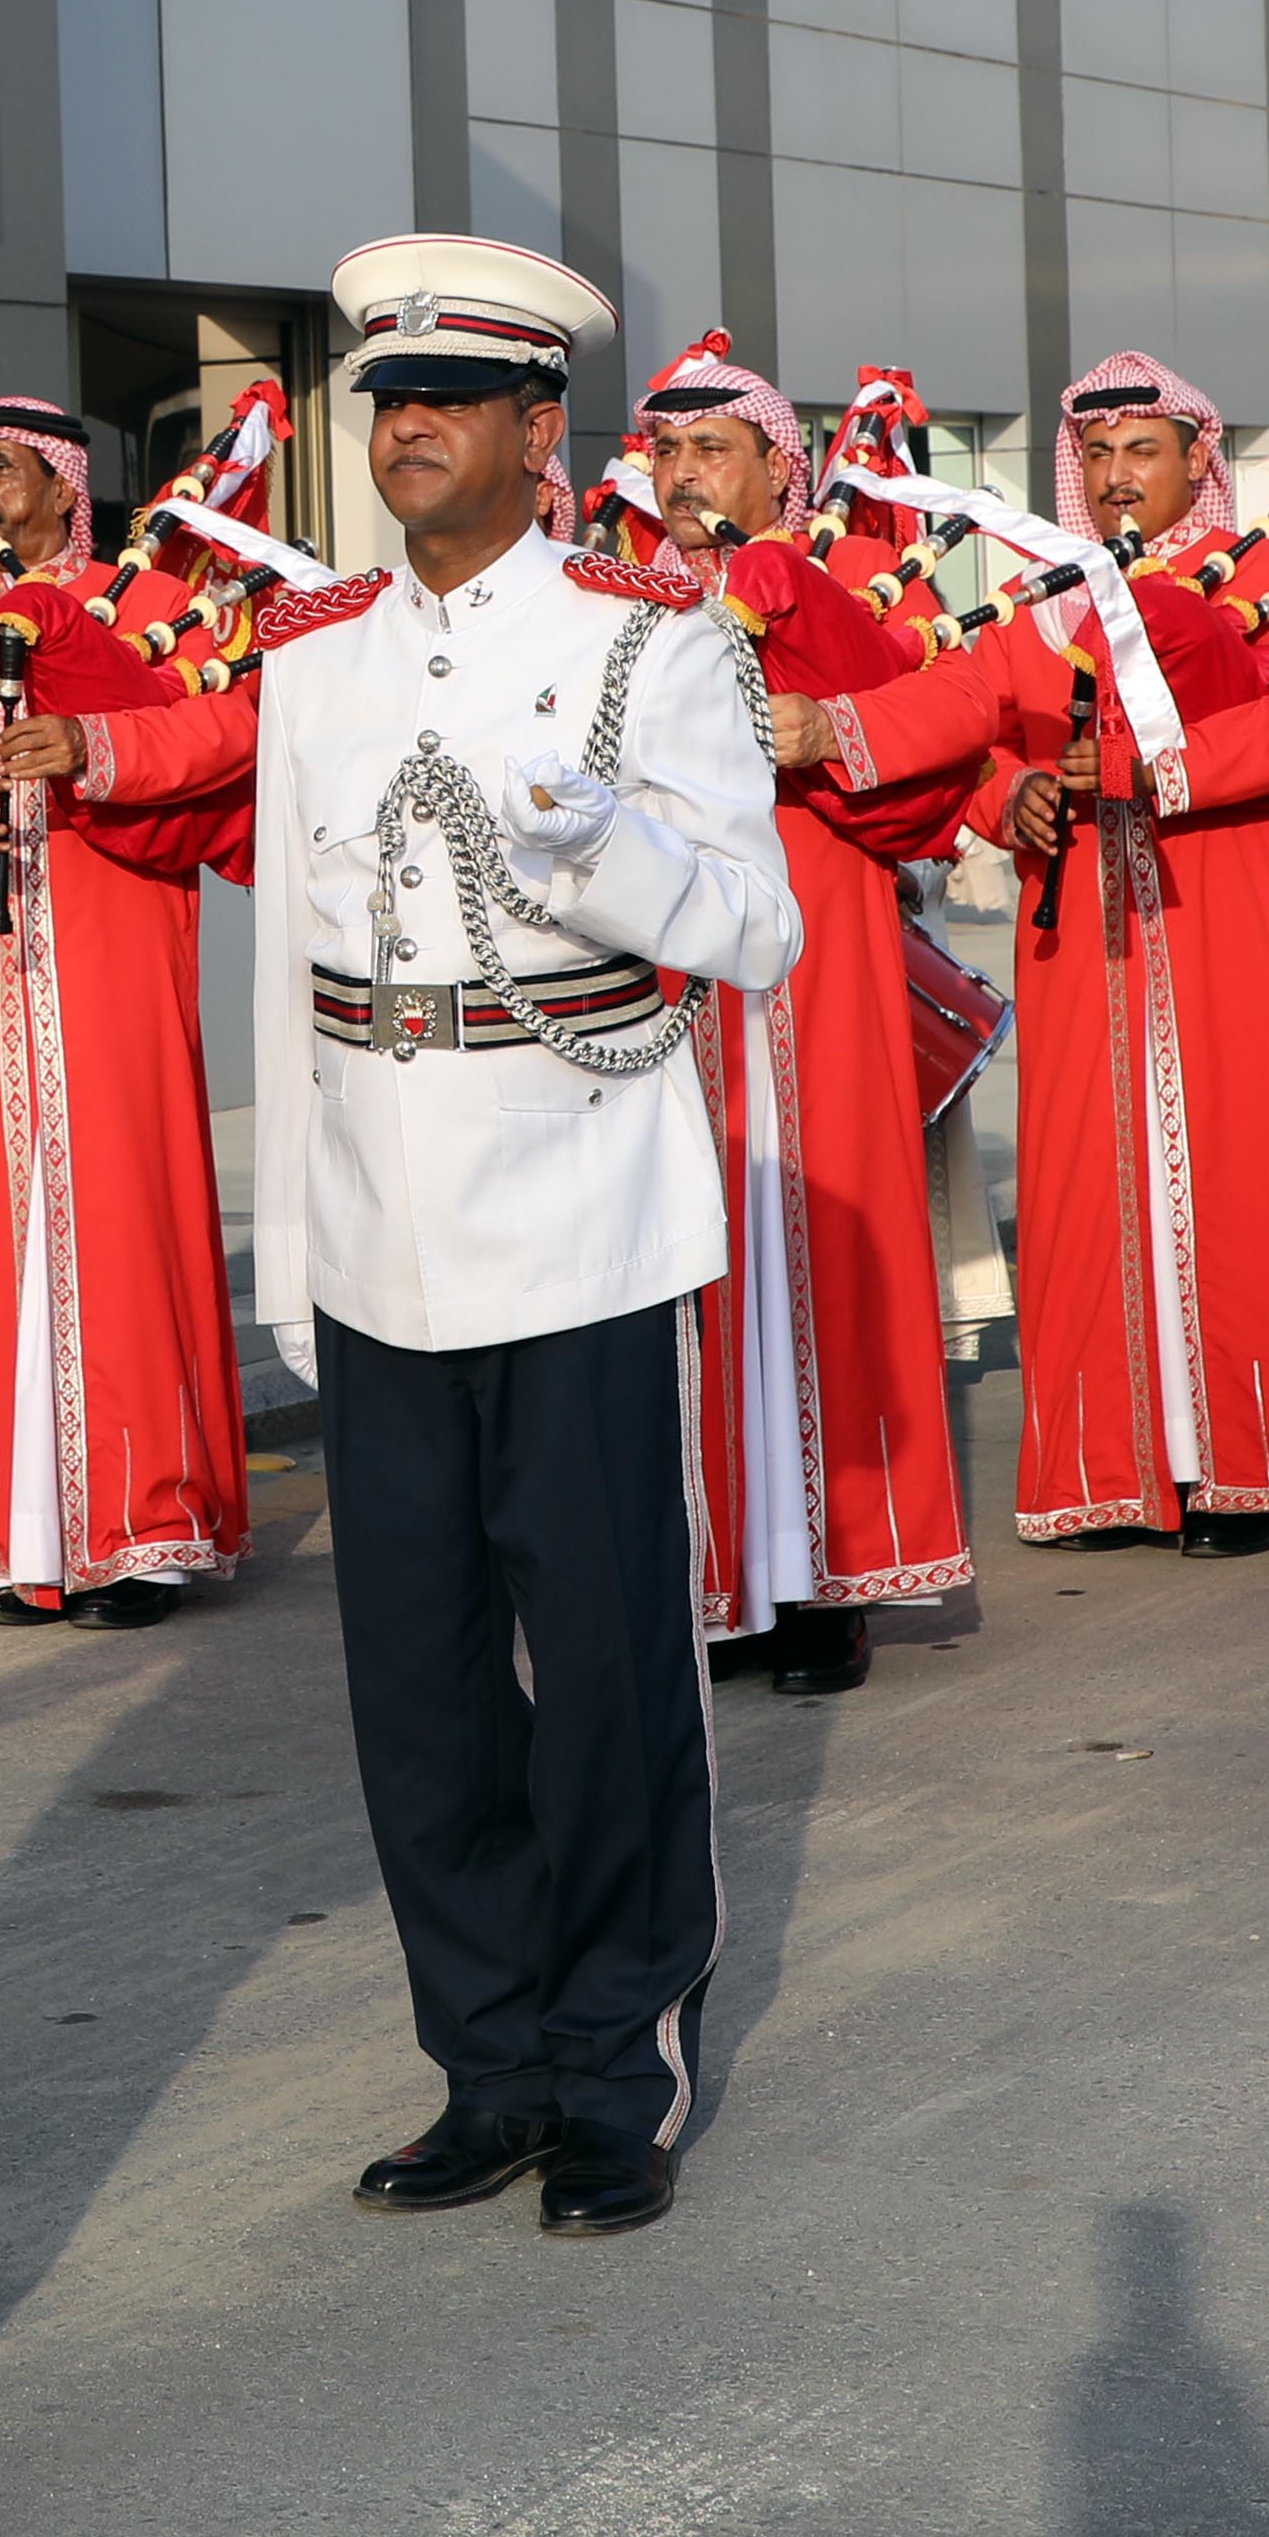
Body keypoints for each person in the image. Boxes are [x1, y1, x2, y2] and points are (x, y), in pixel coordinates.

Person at [260, 236, 800, 2241]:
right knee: (417, 1689)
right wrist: (289, 1253)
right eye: (387, 400)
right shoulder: (310, 654)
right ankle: (483, 2060)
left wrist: (606, 852)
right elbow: (287, 976)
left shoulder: (652, 641)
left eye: (449, 399)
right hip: (377, 1227)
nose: (407, 429)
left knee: (605, 1670)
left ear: (534, 427)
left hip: (579, 1212)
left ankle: (609, 2065)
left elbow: (759, 928)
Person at [795, 355, 1269, 1553]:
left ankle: (1239, 1469)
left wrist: (1155, 770)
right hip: (1082, 935)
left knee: (1241, 1169)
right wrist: (989, 789)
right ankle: (1107, 1466)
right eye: (1100, 454)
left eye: (1143, 451)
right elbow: (966, 719)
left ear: (1197, 460)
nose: (1120, 476)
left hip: (1227, 912)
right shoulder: (1043, 591)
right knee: (1088, 1185)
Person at [624, 334, 976, 1694]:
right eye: (666, 449)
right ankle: (717, 1577)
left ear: (780, 469)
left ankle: (831, 1579)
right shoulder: (616, 601)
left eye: (711, 449)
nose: (682, 473)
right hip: (669, 973)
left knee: (818, 1243)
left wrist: (828, 724)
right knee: (688, 1256)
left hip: (811, 956)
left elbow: (933, 738)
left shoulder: (839, 583)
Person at [0, 392, 250, 1629]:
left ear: (63, 483)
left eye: (1, 465)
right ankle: (0, 1530)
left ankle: (146, 1528)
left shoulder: (150, 605)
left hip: (115, 954)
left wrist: (95, 748)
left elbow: (234, 728)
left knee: (124, 1214)